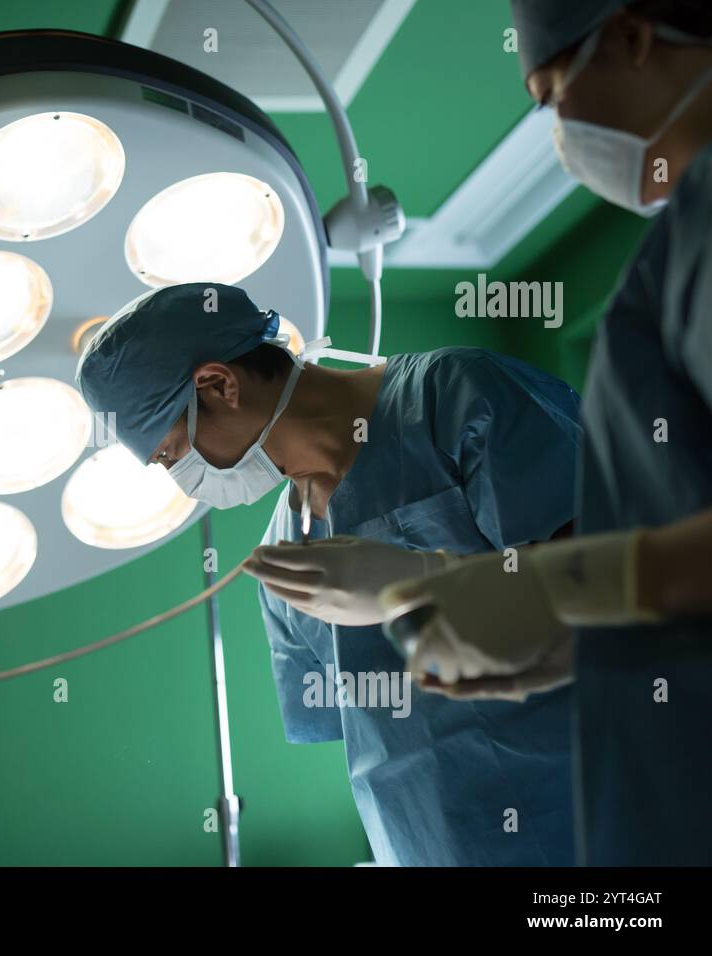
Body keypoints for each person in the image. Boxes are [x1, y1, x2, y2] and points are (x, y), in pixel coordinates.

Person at [76, 283, 582, 865]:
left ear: (219, 385)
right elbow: (381, 747)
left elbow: (613, 603)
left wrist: (418, 584)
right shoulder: (287, 555)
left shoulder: (457, 399)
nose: (181, 478)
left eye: (170, 454)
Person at [379, 0, 712, 865]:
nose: (556, 127)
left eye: (551, 90)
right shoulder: (681, 246)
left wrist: (586, 584)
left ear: (636, 34)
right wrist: (585, 633)